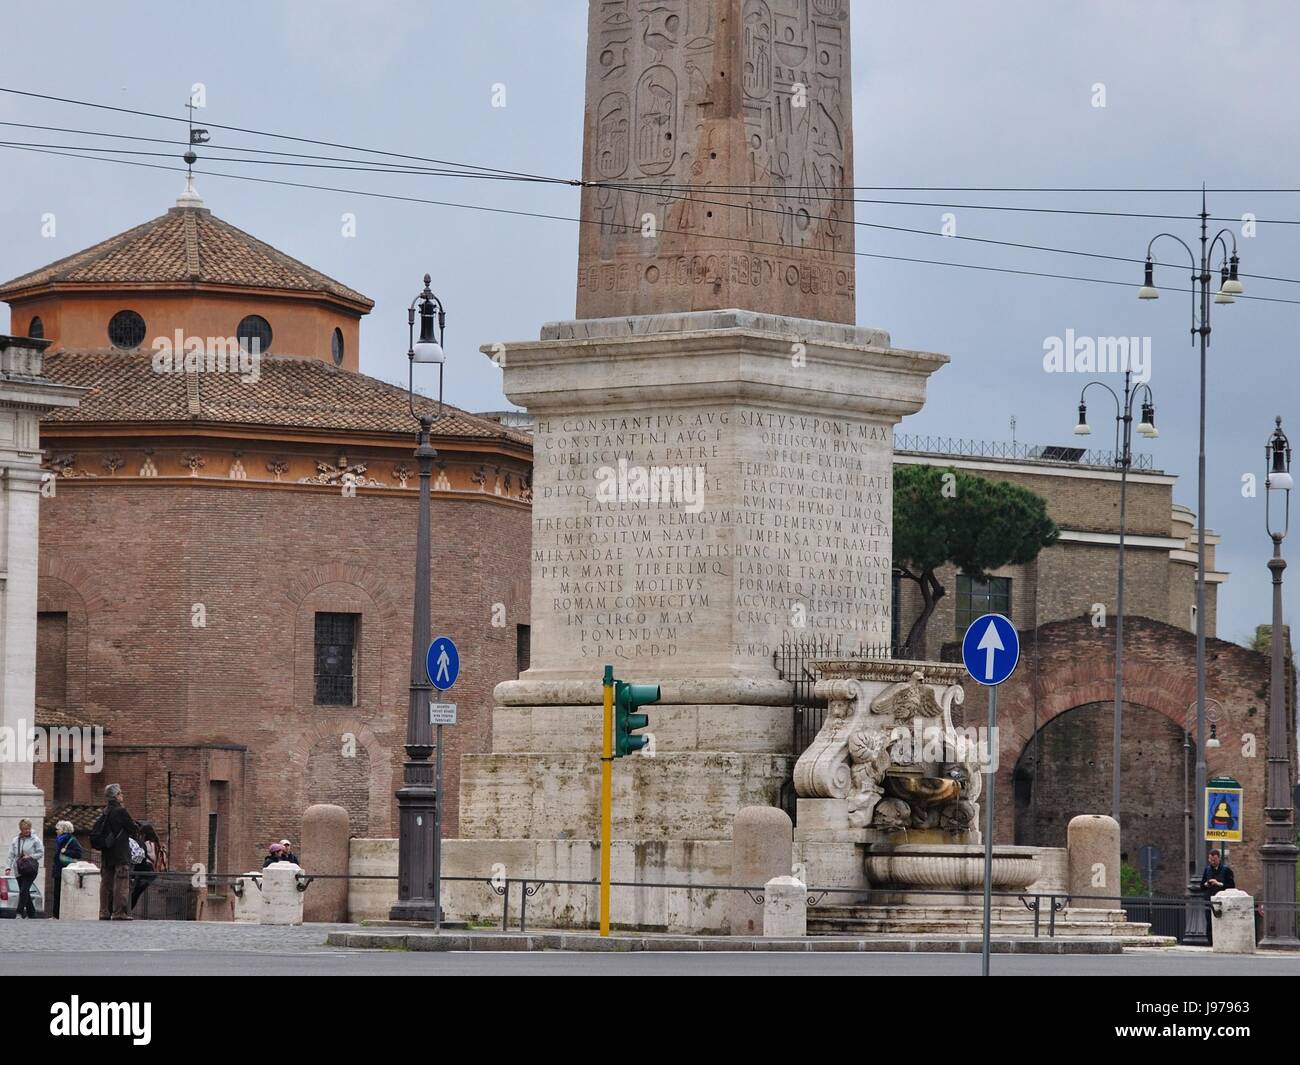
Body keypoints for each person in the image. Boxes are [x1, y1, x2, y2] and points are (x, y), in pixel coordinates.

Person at [91, 783, 138, 920]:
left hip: (107, 853)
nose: (122, 795)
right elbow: (133, 829)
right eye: (120, 793)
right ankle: (119, 912)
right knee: (121, 884)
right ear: (116, 796)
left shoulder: (105, 811)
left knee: (105, 884)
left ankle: (103, 912)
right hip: (120, 854)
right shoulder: (121, 811)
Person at [5, 819, 44, 918]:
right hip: (19, 869)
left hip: (30, 869)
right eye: (24, 829)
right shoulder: (15, 840)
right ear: (20, 829)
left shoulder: (35, 840)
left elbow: (40, 853)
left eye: (28, 829)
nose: (26, 831)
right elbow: (11, 855)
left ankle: (19, 912)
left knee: (23, 891)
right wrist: (8, 867)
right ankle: (32, 914)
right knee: (25, 892)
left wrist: (30, 856)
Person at [1200, 848, 1236, 945]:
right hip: (1209, 900)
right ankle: (1211, 942)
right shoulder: (1207, 870)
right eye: (1210, 860)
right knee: (1209, 922)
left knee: (1222, 922)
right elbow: (1201, 886)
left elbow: (1232, 886)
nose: (1212, 862)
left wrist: (1218, 883)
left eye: (1214, 860)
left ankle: (1222, 942)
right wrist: (1206, 884)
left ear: (1219, 859)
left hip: (1222, 901)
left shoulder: (1226, 870)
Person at [130, 822, 167, 911]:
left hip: (145, 869)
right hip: (152, 871)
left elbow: (145, 855)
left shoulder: (147, 843)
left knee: (134, 893)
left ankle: (128, 909)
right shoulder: (157, 843)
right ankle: (128, 908)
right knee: (136, 894)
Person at [50, 820, 83, 919]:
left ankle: (61, 914)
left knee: (63, 893)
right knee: (56, 893)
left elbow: (79, 853)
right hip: (58, 869)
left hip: (67, 870)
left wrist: (66, 851)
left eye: (58, 829)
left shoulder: (71, 840)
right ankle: (55, 915)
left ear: (64, 829)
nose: (56, 831)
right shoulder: (59, 840)